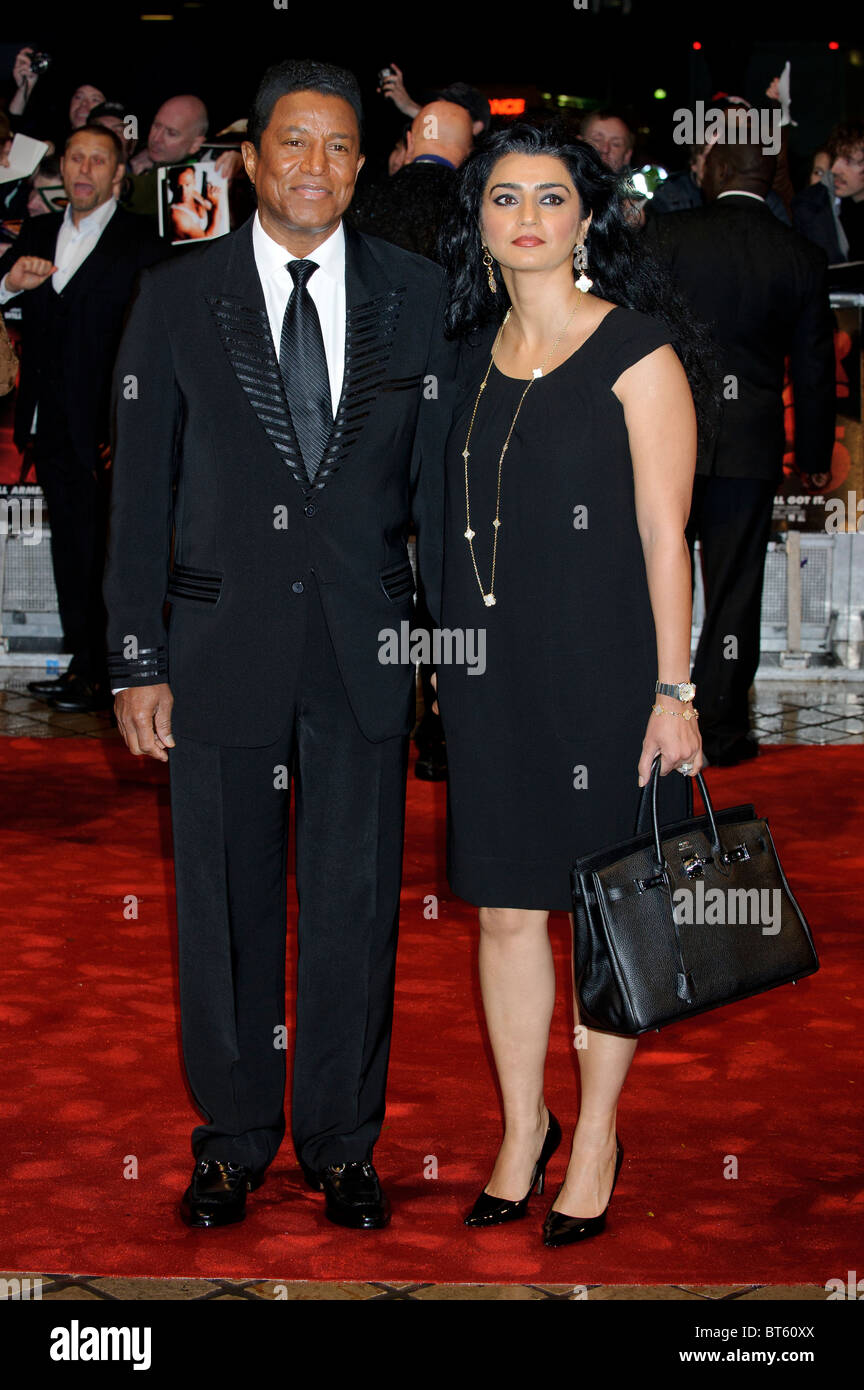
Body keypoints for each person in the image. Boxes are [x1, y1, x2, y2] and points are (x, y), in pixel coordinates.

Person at [103, 58, 454, 1233]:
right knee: (222, 901)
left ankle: (345, 1143)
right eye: (293, 143)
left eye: (339, 147)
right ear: (250, 160)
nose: (315, 166)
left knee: (356, 902)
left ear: (366, 164)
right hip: (217, 643)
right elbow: (137, 493)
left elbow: (437, 493)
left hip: (364, 646)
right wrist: (133, 655)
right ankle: (234, 1138)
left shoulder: (417, 291)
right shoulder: (175, 295)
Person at [435, 122, 711, 1247]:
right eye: (507, 198)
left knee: (605, 916)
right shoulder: (466, 355)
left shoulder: (636, 349)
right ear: (483, 224)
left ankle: (595, 1131)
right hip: (488, 676)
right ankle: (521, 1127)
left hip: (606, 672)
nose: (530, 217)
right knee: (504, 912)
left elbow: (665, 534)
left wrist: (674, 687)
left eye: (553, 196)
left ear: (586, 219)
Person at [644, 138, 835, 767]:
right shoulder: (801, 257)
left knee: (649, 569)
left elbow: (630, 338)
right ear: (770, 179)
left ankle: (645, 710)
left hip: (662, 437)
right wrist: (812, 457)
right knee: (735, 589)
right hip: (750, 446)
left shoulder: (668, 236)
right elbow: (811, 373)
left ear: (716, 172)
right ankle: (721, 731)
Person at [0, 124, 162, 712]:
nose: (85, 169)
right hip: (47, 422)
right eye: (76, 158)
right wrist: (7, 282)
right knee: (68, 549)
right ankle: (82, 665)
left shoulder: (141, 240)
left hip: (110, 431)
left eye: (99, 159)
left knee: (112, 552)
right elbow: (14, 306)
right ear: (62, 167)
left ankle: (110, 670)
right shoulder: (39, 232)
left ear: (119, 173)